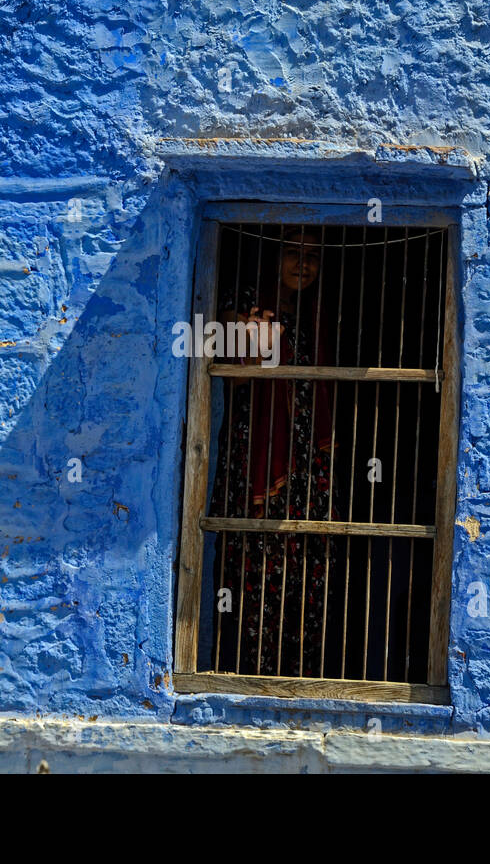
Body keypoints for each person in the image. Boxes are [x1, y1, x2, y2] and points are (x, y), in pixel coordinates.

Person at [209, 229, 341, 678]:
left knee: (307, 566)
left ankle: (298, 675)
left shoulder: (315, 312)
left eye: (312, 256)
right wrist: (261, 338)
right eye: (292, 254)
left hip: (309, 461)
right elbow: (235, 376)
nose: (302, 265)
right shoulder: (242, 298)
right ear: (273, 257)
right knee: (255, 563)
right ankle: (249, 672)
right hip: (257, 452)